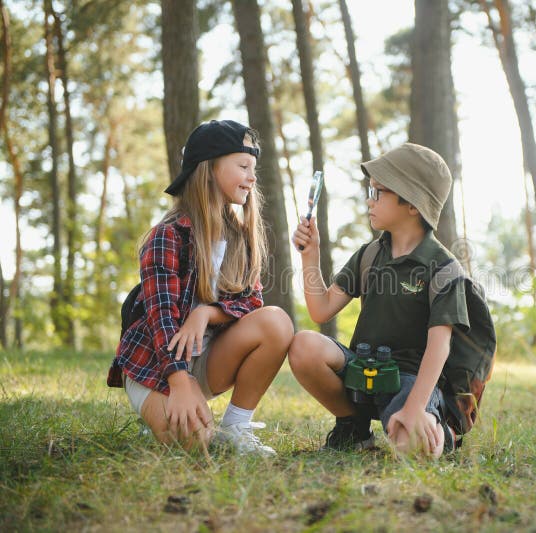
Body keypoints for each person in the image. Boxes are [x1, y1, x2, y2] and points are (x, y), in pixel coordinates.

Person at [107, 120, 293, 456]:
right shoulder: (167, 236)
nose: (252, 177)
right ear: (209, 169)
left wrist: (206, 314)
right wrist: (179, 380)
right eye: (243, 166)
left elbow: (253, 302)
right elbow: (160, 317)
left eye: (254, 169)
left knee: (276, 321)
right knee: (194, 445)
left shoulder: (240, 238)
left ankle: (236, 426)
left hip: (206, 357)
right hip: (156, 364)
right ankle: (169, 410)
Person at [289, 143, 469, 459]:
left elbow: (440, 346)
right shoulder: (370, 255)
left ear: (413, 204)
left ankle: (444, 430)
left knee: (411, 446)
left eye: (378, 193)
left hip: (409, 381)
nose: (369, 202)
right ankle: (353, 427)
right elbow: (321, 309)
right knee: (304, 345)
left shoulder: (443, 268)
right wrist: (311, 255)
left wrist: (414, 408)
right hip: (361, 370)